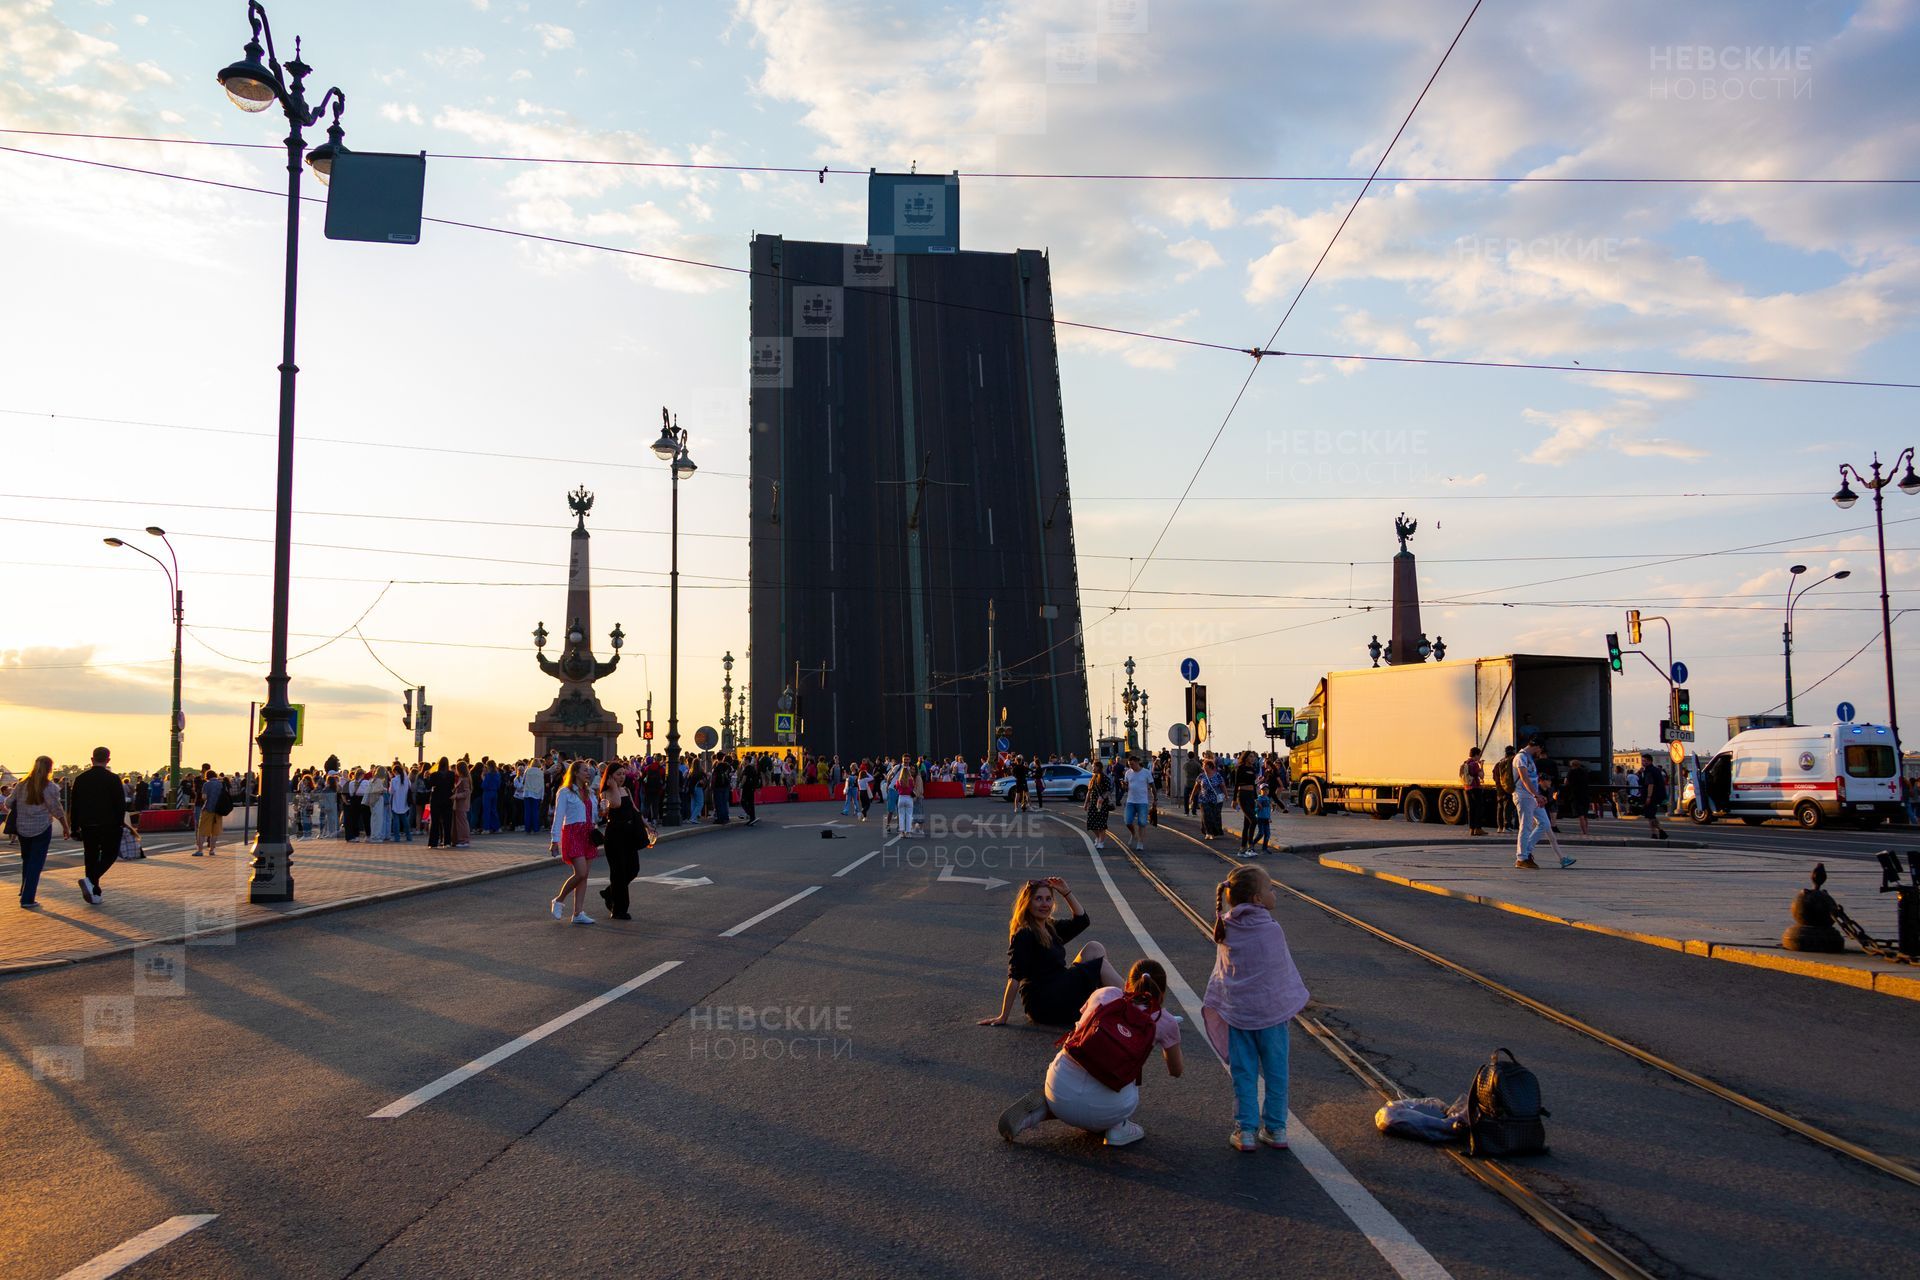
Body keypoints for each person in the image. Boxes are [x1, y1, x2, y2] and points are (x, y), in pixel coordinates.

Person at [996, 959, 1183, 1148]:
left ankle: (1040, 1111)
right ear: (1163, 993)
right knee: (1128, 1086)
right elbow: (1176, 1070)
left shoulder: (1104, 994)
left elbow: (1080, 1029)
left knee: (1071, 1091)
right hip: (1105, 1108)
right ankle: (1117, 1127)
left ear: (1126, 984)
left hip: (1059, 1086)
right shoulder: (1165, 1021)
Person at [1205, 864, 1310, 1152]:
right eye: (1271, 888)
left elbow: (1224, 977)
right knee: (1277, 1073)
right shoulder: (1271, 930)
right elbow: (1280, 975)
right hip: (1272, 1019)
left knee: (1244, 1074)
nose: (1275, 892)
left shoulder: (1225, 928)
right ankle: (1276, 1129)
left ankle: (1246, 1131)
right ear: (1257, 900)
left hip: (1239, 1016)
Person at [980, 876, 1122, 1028]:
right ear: (1027, 903)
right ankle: (1135, 1004)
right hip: (1044, 1001)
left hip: (1058, 987)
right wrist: (1003, 1016)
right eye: (1038, 899)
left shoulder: (1049, 926)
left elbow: (1082, 921)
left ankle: (1114, 1007)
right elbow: (1014, 977)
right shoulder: (1025, 934)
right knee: (1099, 965)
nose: (1044, 904)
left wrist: (1066, 892)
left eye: (1048, 899)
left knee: (1095, 948)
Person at [69, 747, 128, 906]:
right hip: (109, 824)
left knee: (91, 856)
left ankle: (95, 892)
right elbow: (120, 804)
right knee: (110, 854)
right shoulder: (113, 778)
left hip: (87, 824)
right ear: (108, 760)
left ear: (92, 759)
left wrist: (74, 827)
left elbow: (74, 805)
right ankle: (90, 881)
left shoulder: (81, 779)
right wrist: (120, 823)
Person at [12, 756, 71, 908]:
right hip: (42, 827)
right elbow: (56, 809)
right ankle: (27, 898)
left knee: (27, 860)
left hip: (22, 828)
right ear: (50, 769)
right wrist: (65, 826)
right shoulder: (50, 787)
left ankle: (24, 890)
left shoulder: (21, 784)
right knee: (36, 863)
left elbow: (8, 802)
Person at [548, 762, 601, 924]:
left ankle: (578, 913)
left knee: (584, 877)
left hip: (588, 833)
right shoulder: (565, 792)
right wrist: (554, 840)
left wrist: (603, 810)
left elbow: (595, 816)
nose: (588, 773)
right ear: (576, 773)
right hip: (573, 833)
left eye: (589, 771)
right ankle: (558, 900)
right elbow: (558, 817)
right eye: (585, 770)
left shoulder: (590, 792)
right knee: (581, 873)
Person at [599, 761, 649, 921]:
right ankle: (618, 909)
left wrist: (646, 824)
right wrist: (613, 786)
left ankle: (609, 892)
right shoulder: (606, 793)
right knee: (618, 873)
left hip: (629, 835)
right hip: (614, 836)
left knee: (633, 869)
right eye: (618, 774)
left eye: (623, 774)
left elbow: (634, 809)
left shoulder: (626, 789)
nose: (621, 777)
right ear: (610, 777)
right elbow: (616, 804)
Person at [1513, 739, 1574, 870]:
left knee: (1545, 823)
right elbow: (1524, 778)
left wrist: (1538, 795)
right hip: (1524, 796)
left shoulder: (1529, 758)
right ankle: (1522, 858)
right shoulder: (1520, 757)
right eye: (1539, 749)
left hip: (1533, 797)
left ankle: (1527, 850)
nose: (1539, 752)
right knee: (1526, 826)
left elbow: (1532, 779)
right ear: (1536, 746)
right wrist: (1536, 794)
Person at [1122, 755, 1154, 852]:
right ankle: (1133, 833)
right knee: (1128, 821)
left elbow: (1152, 786)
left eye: (1132, 764)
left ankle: (1140, 842)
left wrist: (1155, 798)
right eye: (1129, 764)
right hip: (1130, 801)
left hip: (1142, 801)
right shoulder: (1128, 773)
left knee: (1142, 823)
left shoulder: (1146, 773)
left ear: (1137, 762)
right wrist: (1124, 786)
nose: (1131, 766)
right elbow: (1126, 788)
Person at [194, 764, 227, 856]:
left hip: (208, 809)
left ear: (207, 777)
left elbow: (204, 797)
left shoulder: (206, 784)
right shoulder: (221, 784)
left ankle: (200, 850)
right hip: (218, 810)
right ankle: (212, 850)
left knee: (202, 830)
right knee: (215, 831)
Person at [1193, 757, 1227, 840]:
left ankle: (1214, 832)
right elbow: (1196, 787)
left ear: (1209, 766)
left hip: (1216, 800)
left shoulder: (1217, 775)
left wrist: (1226, 795)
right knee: (1206, 815)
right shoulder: (1201, 776)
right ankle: (1208, 833)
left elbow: (1222, 786)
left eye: (1204, 765)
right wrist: (1192, 796)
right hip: (1204, 799)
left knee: (1214, 816)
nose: (1203, 766)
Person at [1233, 750, 1261, 853]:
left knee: (1247, 823)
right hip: (1243, 796)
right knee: (1254, 820)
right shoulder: (1240, 768)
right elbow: (1236, 784)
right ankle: (1250, 844)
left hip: (1251, 796)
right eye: (1250, 757)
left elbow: (1253, 785)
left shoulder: (1252, 769)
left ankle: (1243, 846)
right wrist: (1234, 800)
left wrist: (1256, 799)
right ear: (1245, 758)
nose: (1252, 759)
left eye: (1254, 757)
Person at [425, 757, 456, 848]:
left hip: (436, 799)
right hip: (447, 798)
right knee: (447, 822)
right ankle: (447, 842)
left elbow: (428, 786)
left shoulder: (434, 774)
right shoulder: (451, 774)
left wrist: (425, 778)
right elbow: (452, 786)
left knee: (435, 822)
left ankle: (433, 843)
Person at [1084, 761, 1113, 850]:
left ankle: (1101, 842)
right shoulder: (1092, 778)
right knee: (1091, 823)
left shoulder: (1105, 778)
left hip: (1102, 804)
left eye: (1094, 767)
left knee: (1101, 824)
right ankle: (1098, 837)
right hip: (1093, 803)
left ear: (1099, 768)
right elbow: (1089, 791)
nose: (1093, 768)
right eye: (1093, 767)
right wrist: (1086, 803)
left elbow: (1108, 791)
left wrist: (1102, 798)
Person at [1461, 746, 1488, 836]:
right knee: (1478, 808)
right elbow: (1481, 776)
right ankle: (1478, 828)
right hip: (1475, 788)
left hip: (1467, 788)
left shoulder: (1465, 763)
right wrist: (1482, 765)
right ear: (1476, 755)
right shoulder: (1474, 764)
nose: (1479, 757)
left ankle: (1471, 829)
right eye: (1479, 755)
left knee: (1471, 809)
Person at [1641, 761, 1670, 840]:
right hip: (1656, 796)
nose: (1642, 762)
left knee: (1651, 816)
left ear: (1648, 761)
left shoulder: (1649, 771)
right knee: (1650, 816)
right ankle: (1654, 833)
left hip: (1651, 797)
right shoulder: (1656, 770)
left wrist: (1648, 797)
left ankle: (1660, 832)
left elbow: (1650, 784)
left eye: (1644, 760)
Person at [1564, 759, 1592, 837]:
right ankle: (1586, 830)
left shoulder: (1571, 772)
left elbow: (1566, 782)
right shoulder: (1585, 771)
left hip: (1576, 794)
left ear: (1572, 765)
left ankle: (1584, 832)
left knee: (1581, 815)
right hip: (1585, 794)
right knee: (1585, 815)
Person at [1493, 745, 1517, 833]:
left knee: (1500, 807)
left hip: (1499, 788)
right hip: (1508, 787)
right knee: (1508, 807)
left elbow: (1494, 775)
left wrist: (1499, 783)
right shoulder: (1511, 761)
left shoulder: (1499, 762)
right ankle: (1507, 826)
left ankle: (1500, 827)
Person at [519, 759, 546, 834]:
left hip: (527, 793)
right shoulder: (541, 772)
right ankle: (535, 829)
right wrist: (542, 796)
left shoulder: (527, 770)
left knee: (527, 812)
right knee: (535, 812)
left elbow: (523, 781)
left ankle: (528, 829)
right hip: (537, 794)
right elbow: (542, 785)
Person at [451, 761, 474, 848]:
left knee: (462, 823)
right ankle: (462, 839)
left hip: (461, 804)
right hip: (459, 804)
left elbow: (466, 793)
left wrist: (456, 796)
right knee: (461, 822)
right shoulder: (463, 778)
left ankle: (464, 840)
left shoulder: (464, 779)